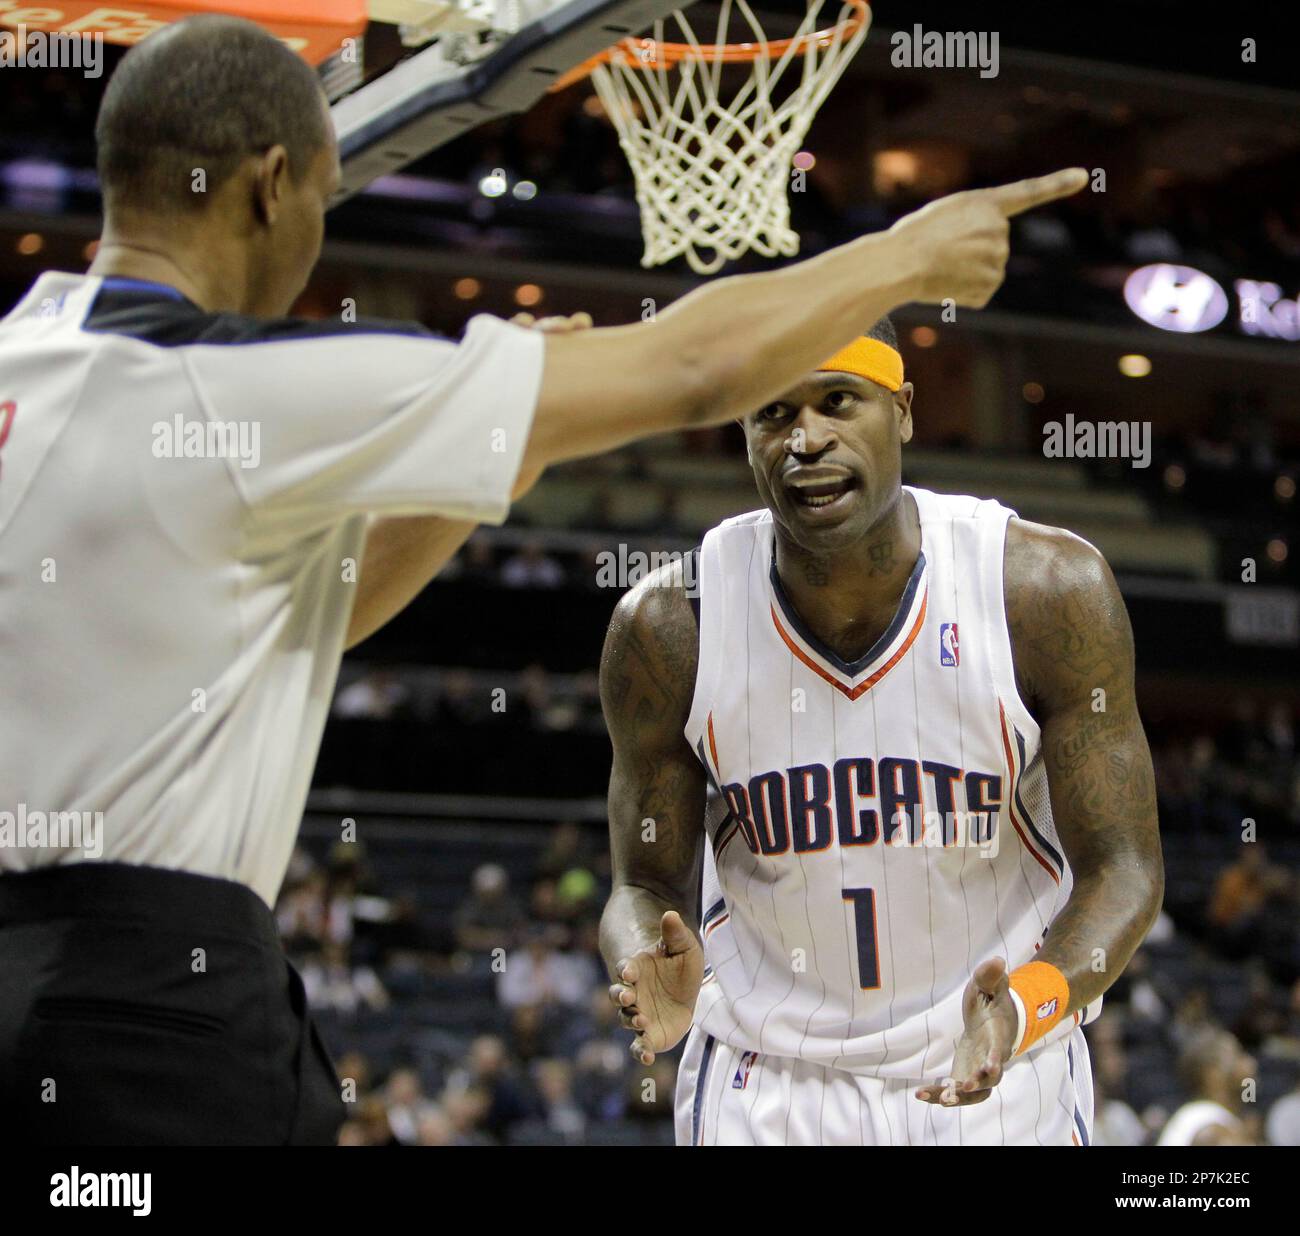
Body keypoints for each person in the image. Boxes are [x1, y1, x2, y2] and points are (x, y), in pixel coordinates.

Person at [0, 12, 1085, 1144]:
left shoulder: (29, 359)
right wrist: (907, 258)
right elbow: (694, 365)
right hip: (137, 997)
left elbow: (317, 616)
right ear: (274, 186)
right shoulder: (236, 387)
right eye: (322, 199)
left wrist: (500, 451)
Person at [598, 319, 1163, 1145]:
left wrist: (1031, 1002)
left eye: (837, 402)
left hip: (1001, 1074)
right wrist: (644, 960)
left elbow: (1125, 870)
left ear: (900, 409)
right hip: (768, 1088)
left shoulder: (1042, 591)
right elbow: (642, 885)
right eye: (774, 414)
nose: (806, 440)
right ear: (746, 434)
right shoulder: (669, 626)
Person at [1157, 1027, 1255, 1145]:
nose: (1251, 1062)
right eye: (1238, 1056)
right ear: (1213, 1074)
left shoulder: (1196, 1116)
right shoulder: (1212, 1132)